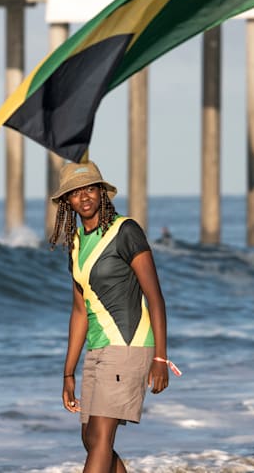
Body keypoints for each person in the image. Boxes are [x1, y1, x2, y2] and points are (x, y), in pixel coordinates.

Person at [47, 161, 175, 473]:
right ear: (67, 202)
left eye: (89, 188)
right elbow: (80, 310)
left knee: (101, 436)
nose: (84, 196)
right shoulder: (76, 244)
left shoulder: (126, 231)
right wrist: (67, 373)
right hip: (98, 349)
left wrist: (160, 358)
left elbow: (155, 298)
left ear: (101, 192)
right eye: (75, 193)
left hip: (128, 345)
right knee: (90, 438)